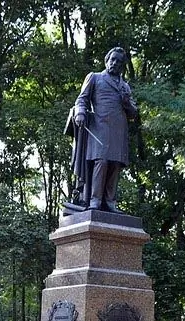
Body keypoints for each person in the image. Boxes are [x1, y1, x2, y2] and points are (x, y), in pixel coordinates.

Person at [67, 47, 138, 212]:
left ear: (123, 66)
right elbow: (82, 99)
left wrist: (126, 102)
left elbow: (133, 113)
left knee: (115, 164)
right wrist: (80, 114)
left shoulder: (125, 87)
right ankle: (95, 200)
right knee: (101, 162)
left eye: (119, 62)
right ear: (107, 60)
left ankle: (110, 202)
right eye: (113, 59)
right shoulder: (95, 78)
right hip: (99, 127)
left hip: (119, 129)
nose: (115, 63)